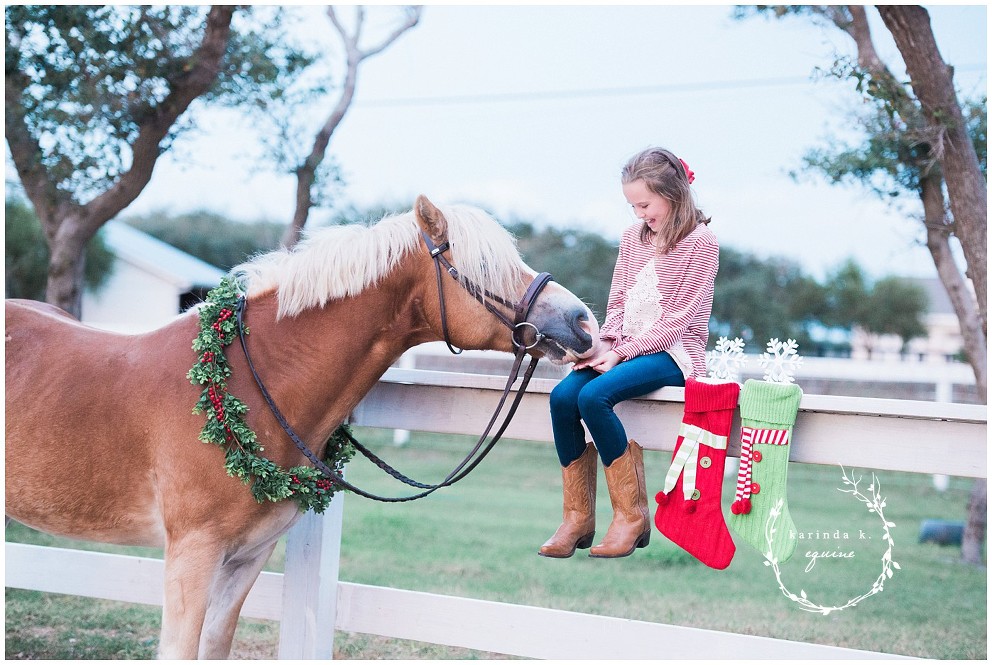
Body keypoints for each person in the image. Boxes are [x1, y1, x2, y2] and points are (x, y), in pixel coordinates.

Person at [540, 147, 719, 559]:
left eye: (644, 204)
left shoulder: (701, 242)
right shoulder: (632, 238)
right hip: (626, 349)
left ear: (672, 193)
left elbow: (680, 318)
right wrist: (606, 343)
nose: (639, 213)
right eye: (632, 206)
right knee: (563, 397)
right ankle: (577, 516)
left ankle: (631, 516)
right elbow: (618, 300)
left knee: (594, 396)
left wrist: (623, 354)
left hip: (673, 354)